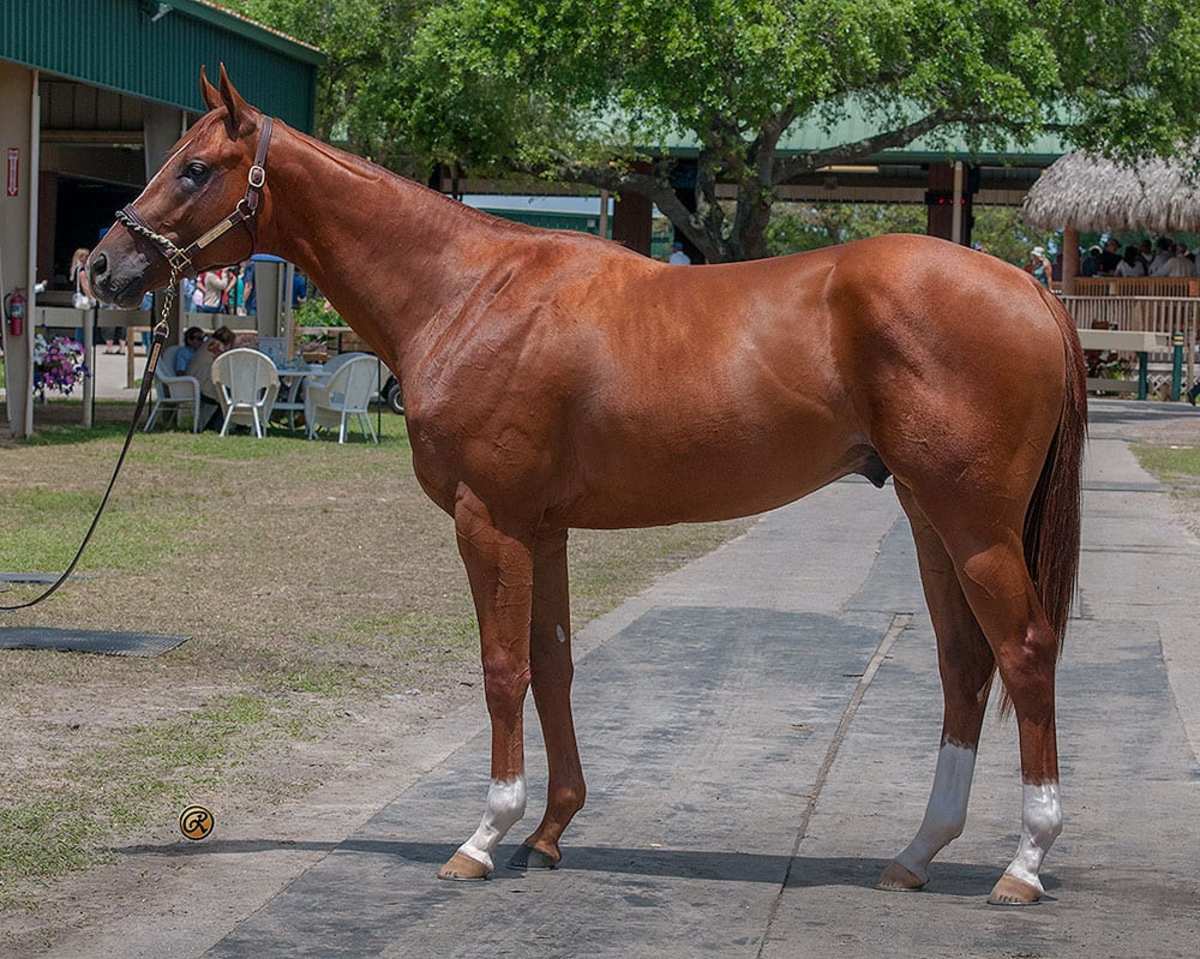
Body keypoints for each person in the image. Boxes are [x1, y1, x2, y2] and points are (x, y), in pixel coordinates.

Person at [187, 325, 237, 429]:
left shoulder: (208, 343)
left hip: (194, 382)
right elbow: (226, 361)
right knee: (229, 394)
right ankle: (219, 425)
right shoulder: (215, 345)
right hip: (200, 383)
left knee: (227, 393)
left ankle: (215, 425)